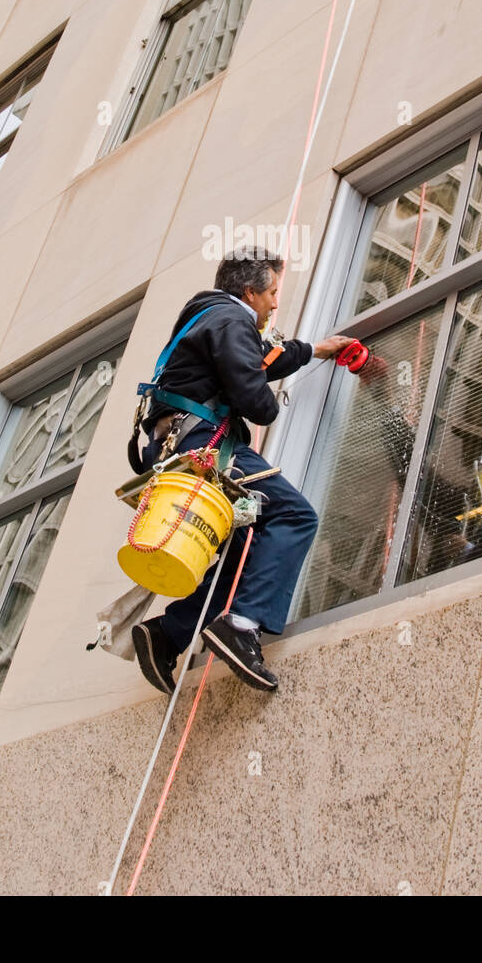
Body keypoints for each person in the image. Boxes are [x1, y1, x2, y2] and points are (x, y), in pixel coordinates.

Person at [130, 248, 354, 695]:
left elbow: (263, 358)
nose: (274, 304)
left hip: (180, 444)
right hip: (206, 444)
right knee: (295, 516)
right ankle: (241, 626)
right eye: (271, 293)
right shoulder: (232, 322)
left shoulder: (209, 319)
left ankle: (169, 634)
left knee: (246, 549)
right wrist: (267, 402)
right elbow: (256, 397)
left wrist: (313, 351)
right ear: (250, 293)